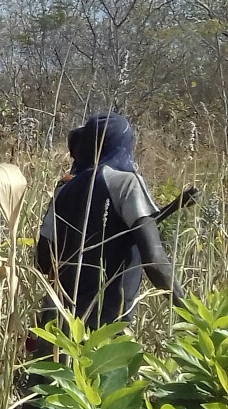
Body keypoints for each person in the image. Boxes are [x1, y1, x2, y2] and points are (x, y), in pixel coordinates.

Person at [34, 113, 183, 330]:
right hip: (106, 328)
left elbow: (43, 260)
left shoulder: (64, 189)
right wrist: (192, 314)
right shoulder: (125, 183)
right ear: (124, 145)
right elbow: (155, 262)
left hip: (59, 327)